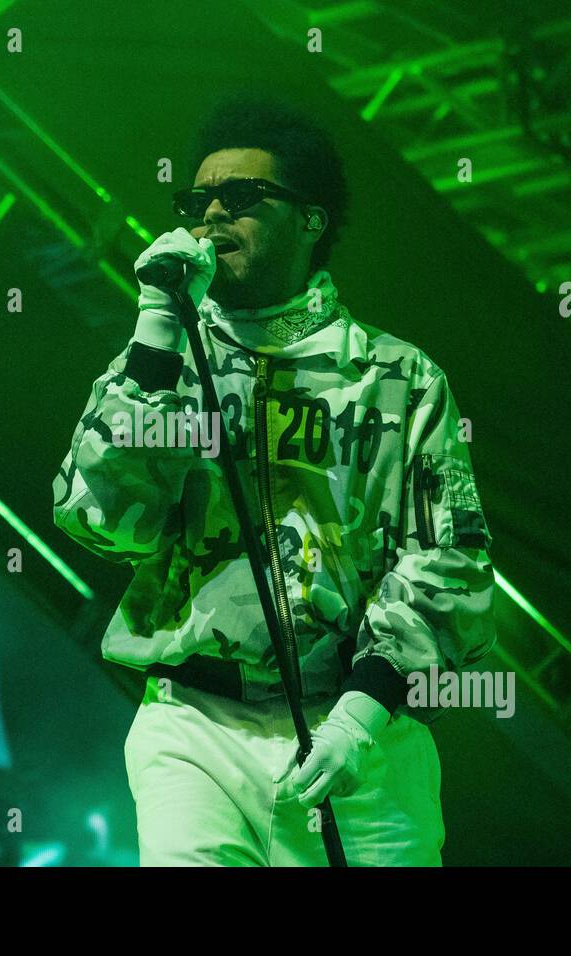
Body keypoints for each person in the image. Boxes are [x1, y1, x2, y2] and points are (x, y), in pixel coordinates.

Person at [52, 98, 497, 866]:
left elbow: (447, 559)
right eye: (197, 202)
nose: (212, 214)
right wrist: (156, 331)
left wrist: (361, 716)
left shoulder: (397, 376)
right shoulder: (163, 362)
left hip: (357, 729)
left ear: (312, 220)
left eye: (242, 198)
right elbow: (100, 522)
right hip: (192, 722)